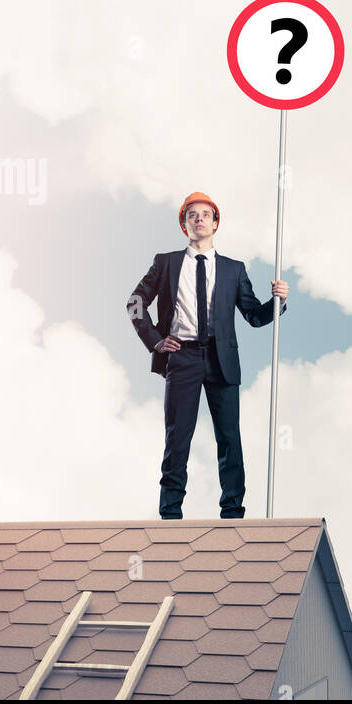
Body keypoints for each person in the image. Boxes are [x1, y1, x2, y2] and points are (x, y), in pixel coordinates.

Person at [126, 191, 288, 519]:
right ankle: (170, 514)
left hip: (221, 359)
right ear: (185, 226)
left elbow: (254, 316)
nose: (199, 219)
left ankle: (233, 513)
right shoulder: (166, 262)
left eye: (205, 214)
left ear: (215, 223)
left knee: (229, 438)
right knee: (178, 437)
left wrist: (279, 303)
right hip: (181, 358)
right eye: (192, 215)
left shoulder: (233, 269)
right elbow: (135, 302)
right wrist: (156, 341)